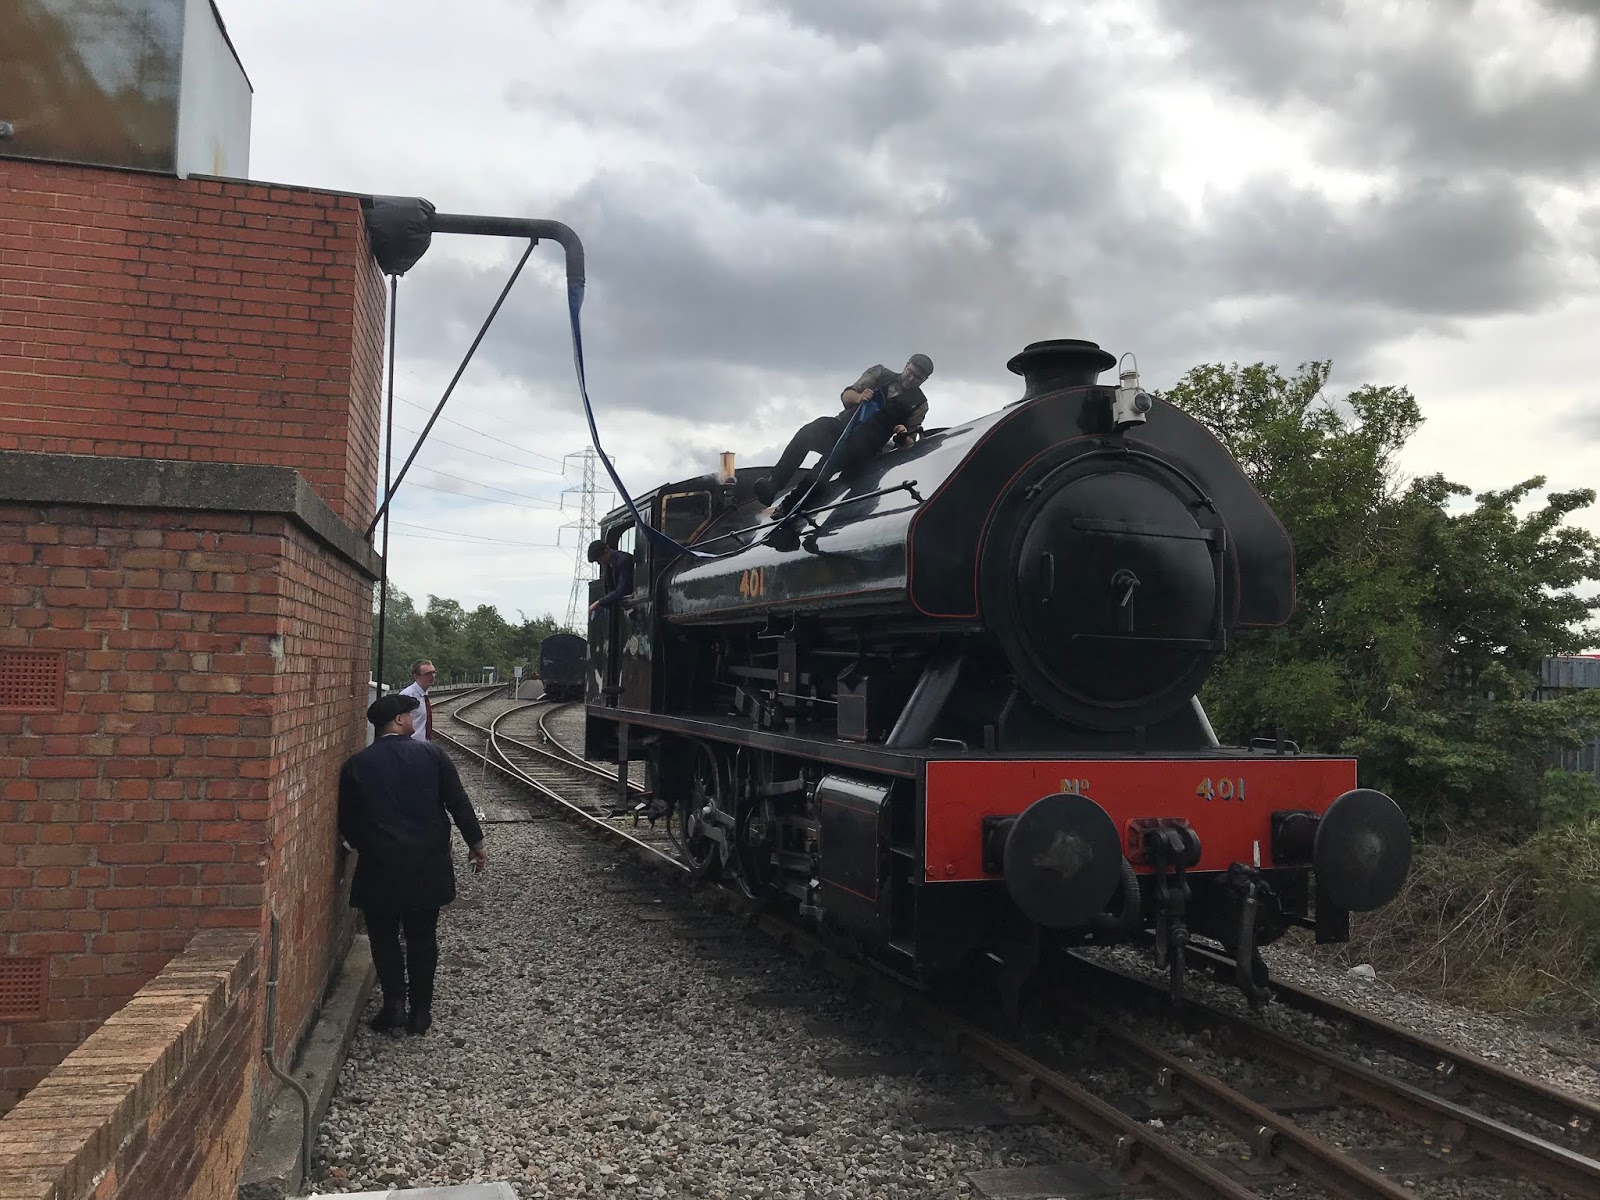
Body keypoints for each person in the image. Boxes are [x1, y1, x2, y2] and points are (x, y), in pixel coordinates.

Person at [338, 693, 487, 1037]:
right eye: (408, 715)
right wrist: (476, 844)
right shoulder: (433, 756)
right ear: (400, 721)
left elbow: (349, 821)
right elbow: (458, 803)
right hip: (427, 866)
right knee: (423, 937)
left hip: (380, 867)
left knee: (384, 936)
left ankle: (393, 1005)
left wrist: (356, 844)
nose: (411, 720)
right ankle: (421, 1012)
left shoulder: (357, 765)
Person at [753, 353, 933, 517]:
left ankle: (788, 506)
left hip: (864, 445)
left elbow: (910, 441)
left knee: (826, 466)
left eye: (917, 377)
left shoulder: (919, 404)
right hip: (841, 426)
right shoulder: (879, 373)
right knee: (807, 433)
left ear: (924, 380)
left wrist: (903, 432)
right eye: (910, 372)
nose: (910, 378)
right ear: (906, 365)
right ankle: (774, 483)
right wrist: (859, 397)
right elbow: (847, 395)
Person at [586, 540, 635, 616]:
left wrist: (599, 602)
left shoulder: (623, 561)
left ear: (606, 551)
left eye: (599, 559)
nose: (599, 563)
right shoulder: (609, 566)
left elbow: (623, 590)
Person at [399, 659, 435, 742]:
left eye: (433, 672)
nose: (432, 676)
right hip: (411, 746)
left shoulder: (424, 694)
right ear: (416, 676)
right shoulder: (407, 696)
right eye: (428, 674)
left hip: (423, 744)